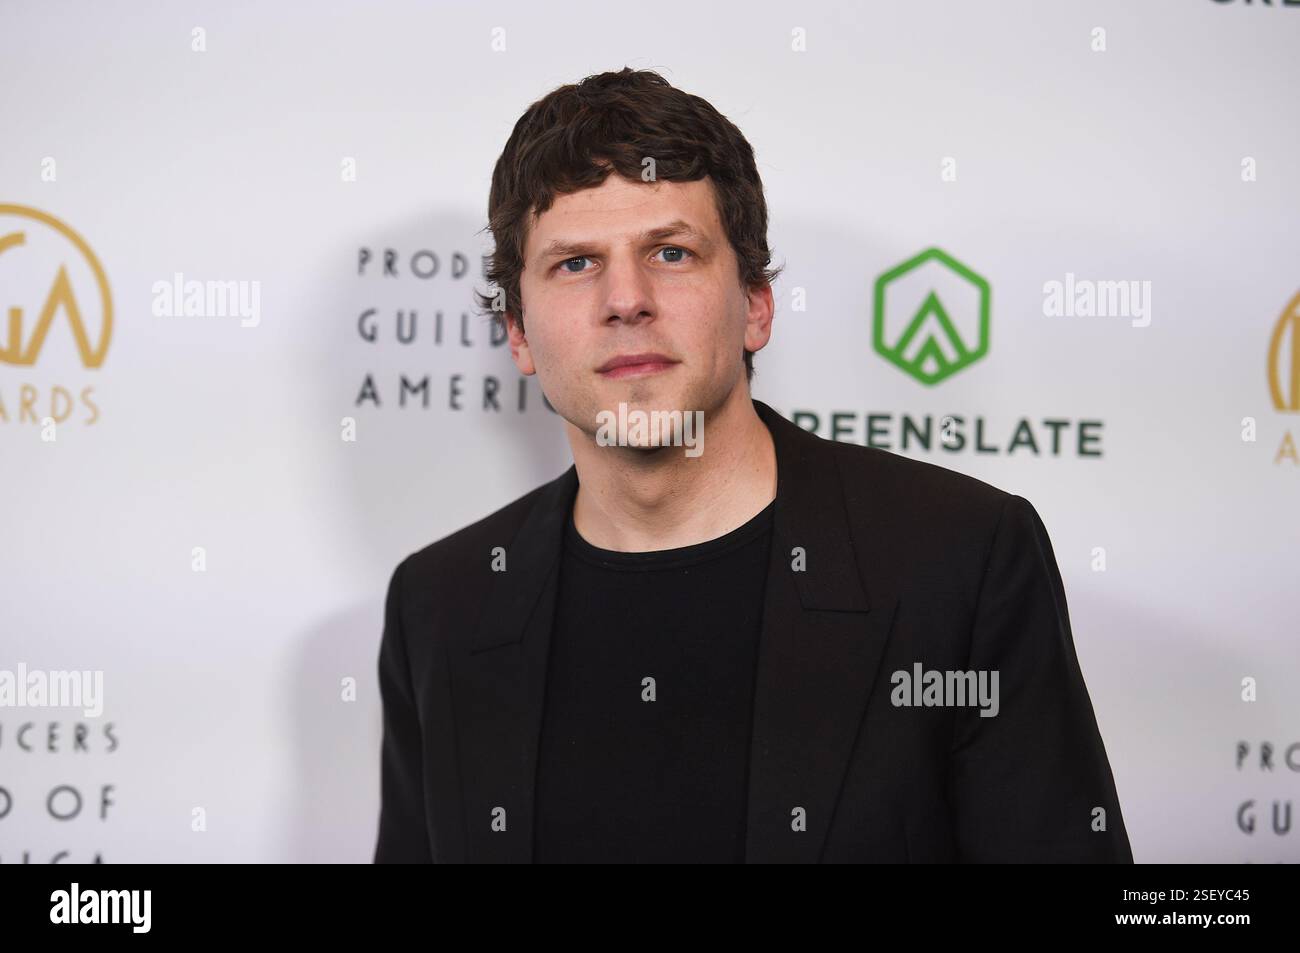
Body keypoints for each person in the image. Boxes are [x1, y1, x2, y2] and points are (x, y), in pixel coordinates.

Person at [373, 67, 1132, 863]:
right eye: (575, 264)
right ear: (520, 335)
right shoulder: (442, 605)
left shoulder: (960, 560)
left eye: (670, 251)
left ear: (756, 306)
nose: (625, 298)